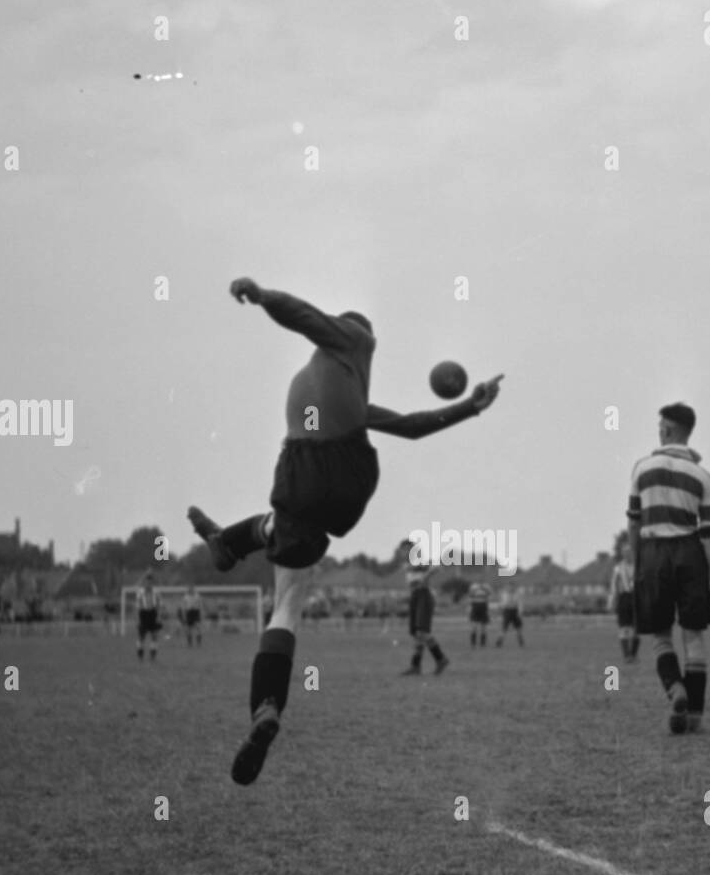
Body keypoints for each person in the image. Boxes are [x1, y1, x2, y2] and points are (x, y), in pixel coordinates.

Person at [188, 277, 502, 783]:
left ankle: (231, 552)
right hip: (345, 483)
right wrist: (471, 406)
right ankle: (264, 697)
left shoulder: (353, 339)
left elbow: (305, 316)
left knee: (286, 589)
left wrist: (262, 295)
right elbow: (412, 426)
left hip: (309, 468)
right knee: (287, 599)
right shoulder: (352, 390)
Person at [628, 402, 710, 734]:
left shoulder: (641, 469)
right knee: (693, 635)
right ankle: (694, 714)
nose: (658, 428)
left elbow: (634, 523)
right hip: (690, 553)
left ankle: (674, 689)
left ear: (668, 429)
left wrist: (637, 562)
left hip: (653, 552)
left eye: (660, 424)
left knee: (660, 636)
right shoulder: (702, 476)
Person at [402, 566, 448, 675]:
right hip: (414, 596)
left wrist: (428, 573)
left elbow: (434, 569)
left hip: (423, 595)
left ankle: (440, 659)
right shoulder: (411, 565)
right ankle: (415, 666)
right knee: (417, 634)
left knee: (422, 632)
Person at [609, 544, 639, 663]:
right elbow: (614, 585)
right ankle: (627, 655)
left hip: (636, 598)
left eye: (629, 552)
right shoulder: (618, 568)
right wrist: (612, 600)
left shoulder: (638, 566)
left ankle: (633, 654)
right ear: (622, 554)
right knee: (624, 627)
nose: (627, 554)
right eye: (625, 552)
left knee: (636, 628)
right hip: (624, 598)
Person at [136, 572, 162, 660]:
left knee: (154, 635)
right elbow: (139, 604)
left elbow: (158, 604)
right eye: (147, 582)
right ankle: (140, 652)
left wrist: (158, 615)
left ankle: (153, 653)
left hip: (153, 613)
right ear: (144, 583)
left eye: (150, 582)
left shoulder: (156, 592)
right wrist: (138, 617)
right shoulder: (140, 592)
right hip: (143, 613)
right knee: (141, 635)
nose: (148, 584)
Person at [467, 579, 492, 647]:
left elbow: (489, 596)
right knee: (474, 626)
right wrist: (470, 608)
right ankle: (473, 643)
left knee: (483, 627)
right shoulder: (473, 587)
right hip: (475, 607)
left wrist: (484, 589)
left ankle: (482, 644)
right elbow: (470, 596)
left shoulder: (486, 587)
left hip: (483, 607)